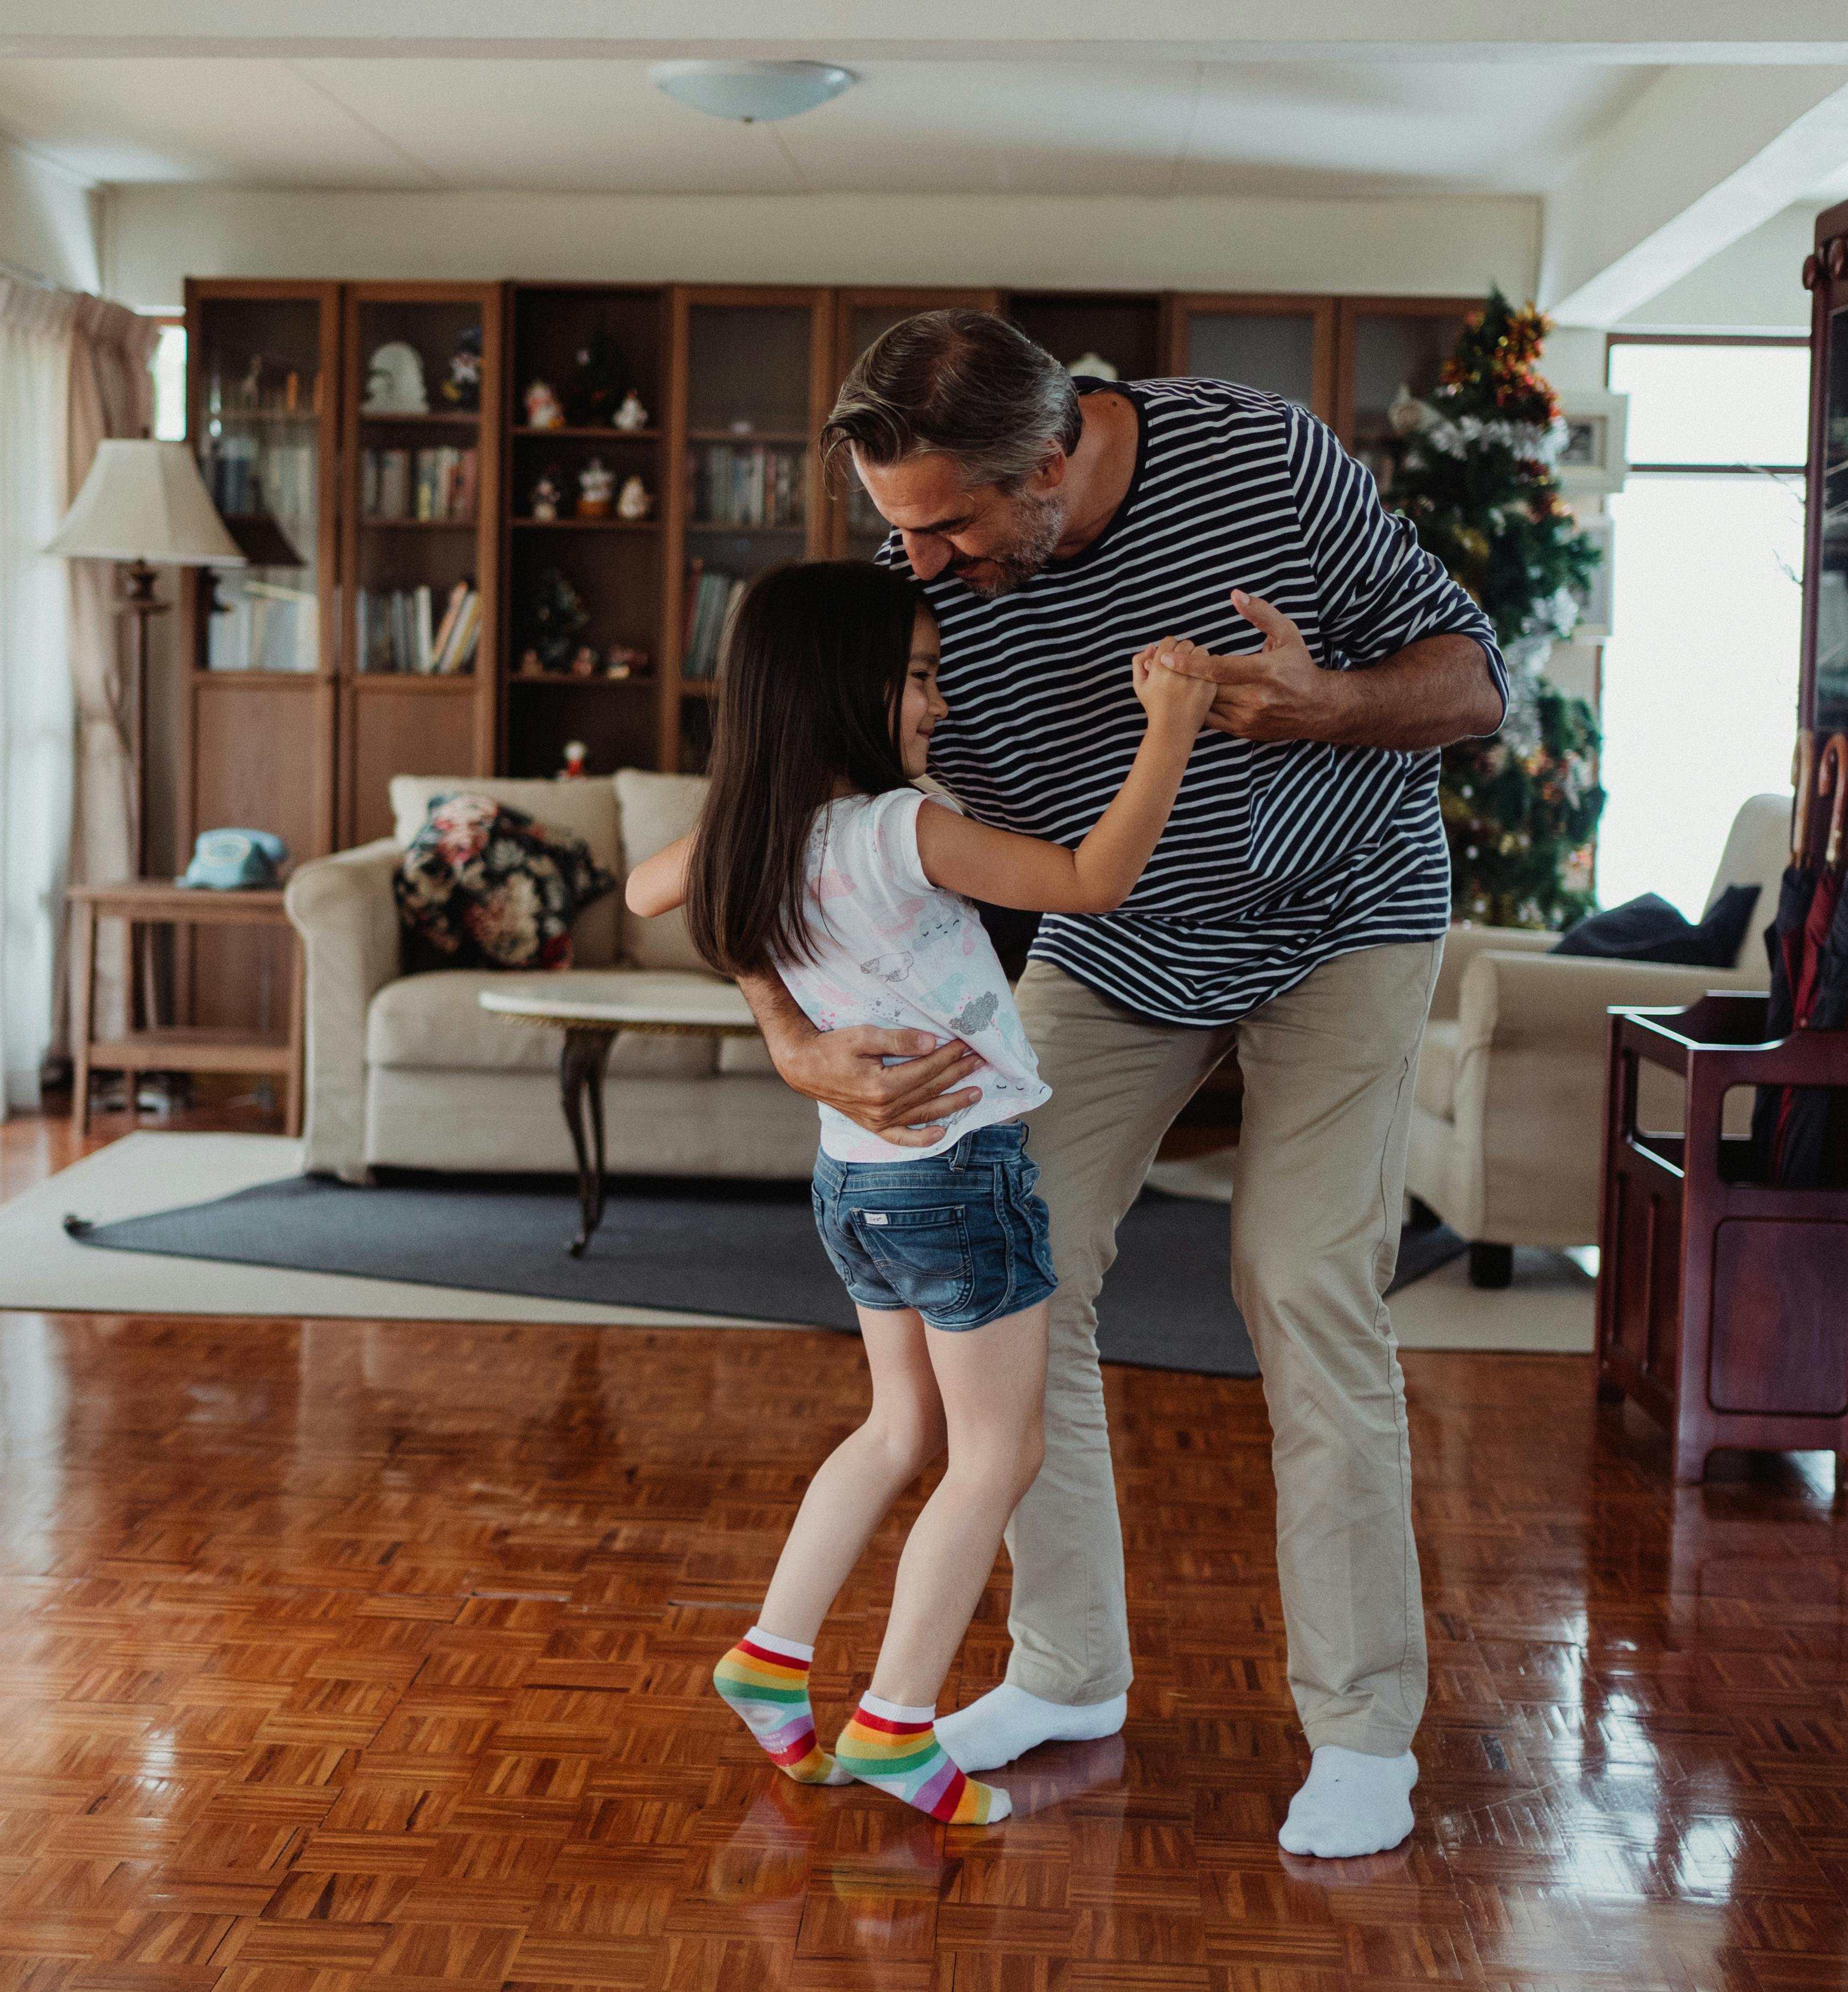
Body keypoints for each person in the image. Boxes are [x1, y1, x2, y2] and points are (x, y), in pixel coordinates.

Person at [730, 311, 1508, 1861]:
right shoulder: (913, 566)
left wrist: (1324, 708)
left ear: (1054, 457)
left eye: (950, 524)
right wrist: (790, 1041)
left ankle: (1360, 1730)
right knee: (1013, 1279)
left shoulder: (1263, 462)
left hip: (1340, 911)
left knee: (1298, 1278)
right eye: (900, 532)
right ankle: (1067, 1671)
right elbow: (769, 824)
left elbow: (1476, 684)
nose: (924, 568)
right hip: (1115, 939)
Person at [623, 559, 1215, 1825]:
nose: (937, 704)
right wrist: (1168, 725)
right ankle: (897, 1719)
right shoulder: (901, 829)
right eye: (919, 677)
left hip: (856, 1181)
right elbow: (1092, 881)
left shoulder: (754, 827)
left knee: (899, 1431)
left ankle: (772, 1656)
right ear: (844, 688)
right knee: (1000, 1451)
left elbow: (639, 888)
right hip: (958, 1177)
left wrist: (745, 800)